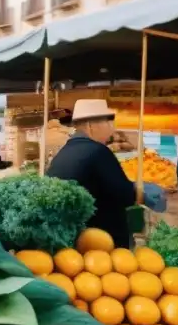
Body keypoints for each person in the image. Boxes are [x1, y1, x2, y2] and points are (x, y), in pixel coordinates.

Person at [46, 99, 139, 249]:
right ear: (91, 125)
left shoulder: (66, 151)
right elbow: (125, 195)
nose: (111, 128)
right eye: (108, 122)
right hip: (100, 244)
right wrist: (140, 190)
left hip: (74, 241)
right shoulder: (98, 151)